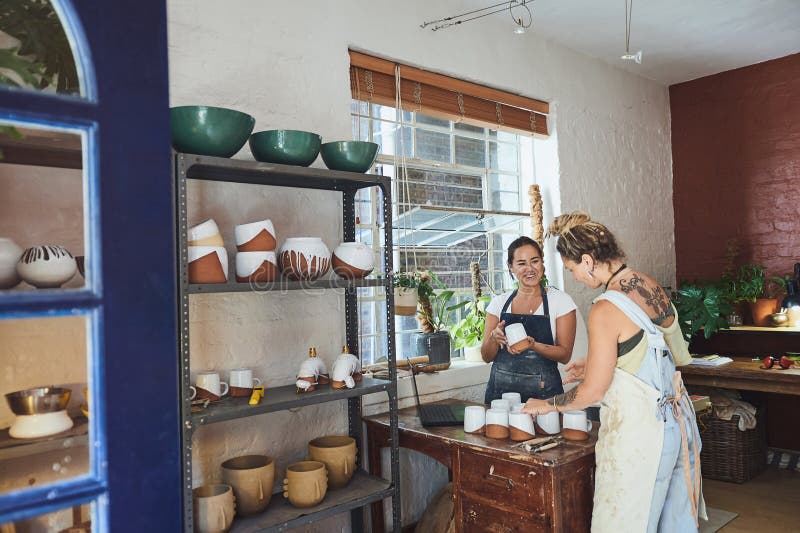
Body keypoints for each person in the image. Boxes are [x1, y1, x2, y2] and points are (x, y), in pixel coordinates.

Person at [522, 211, 706, 533]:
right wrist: (596, 363)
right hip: (676, 429)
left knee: (624, 525)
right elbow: (675, 354)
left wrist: (547, 404)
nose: (576, 278)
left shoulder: (606, 307)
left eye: (572, 269)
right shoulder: (650, 286)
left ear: (589, 260)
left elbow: (592, 392)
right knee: (670, 525)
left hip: (641, 439)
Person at [481, 236, 577, 404]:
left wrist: (533, 345)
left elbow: (565, 355)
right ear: (511, 267)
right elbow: (486, 356)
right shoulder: (499, 303)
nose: (530, 269)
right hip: (500, 397)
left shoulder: (561, 301)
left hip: (544, 394)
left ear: (542, 263)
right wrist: (493, 339)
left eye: (535, 261)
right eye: (521, 263)